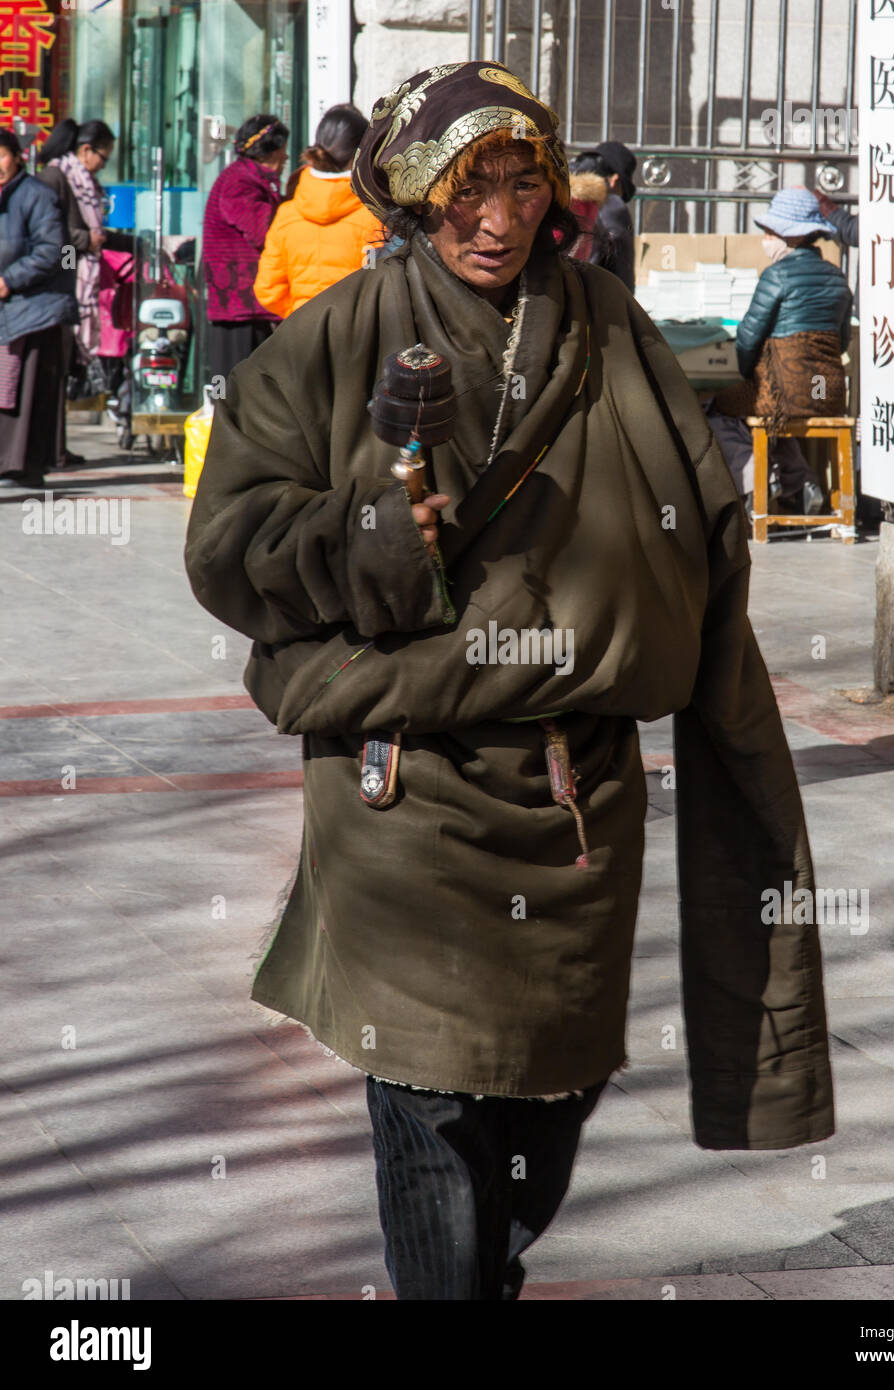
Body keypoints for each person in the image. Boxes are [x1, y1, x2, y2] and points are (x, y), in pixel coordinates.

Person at [184, 62, 833, 1301]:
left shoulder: (606, 324)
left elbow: (702, 521)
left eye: (518, 180)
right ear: (418, 196)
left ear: (550, 187)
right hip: (404, 790)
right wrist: (369, 538)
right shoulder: (337, 340)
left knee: (552, 1090)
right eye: (465, 188)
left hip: (573, 793)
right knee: (428, 1101)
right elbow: (228, 547)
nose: (495, 217)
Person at [707, 187, 853, 518]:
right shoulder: (837, 278)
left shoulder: (777, 275)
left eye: (769, 232)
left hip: (783, 393)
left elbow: (748, 337)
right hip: (827, 393)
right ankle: (801, 483)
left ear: (787, 235)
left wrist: (747, 376)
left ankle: (756, 481)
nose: (766, 238)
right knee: (776, 415)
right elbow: (840, 343)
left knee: (718, 410)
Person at [36, 117, 132, 464]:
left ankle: (56, 447)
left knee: (64, 366)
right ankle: (50, 448)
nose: (103, 166)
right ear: (86, 150)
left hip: (73, 274)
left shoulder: (82, 182)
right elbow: (53, 235)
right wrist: (78, 251)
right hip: (63, 278)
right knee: (57, 365)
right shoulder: (57, 178)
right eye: (103, 158)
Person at [253, 104, 383, 320]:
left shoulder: (287, 214)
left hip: (302, 335)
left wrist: (299, 312)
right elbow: (382, 284)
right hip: (357, 335)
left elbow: (268, 290)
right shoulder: (374, 215)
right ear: (361, 153)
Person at [0, 128, 78, 489]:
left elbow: (53, 250)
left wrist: (10, 279)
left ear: (17, 157)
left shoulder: (37, 195)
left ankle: (22, 466)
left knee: (25, 390)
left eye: (2, 156)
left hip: (35, 306)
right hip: (11, 307)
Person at [201, 114, 288, 383]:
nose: (286, 158)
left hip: (248, 302)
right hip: (238, 303)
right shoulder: (239, 183)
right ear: (268, 152)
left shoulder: (252, 179)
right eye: (283, 152)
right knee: (233, 388)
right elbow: (265, 231)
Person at [571, 140, 636, 290]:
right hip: (589, 305)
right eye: (623, 193)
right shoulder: (612, 206)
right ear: (614, 181)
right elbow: (622, 281)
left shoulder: (555, 193)